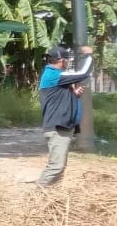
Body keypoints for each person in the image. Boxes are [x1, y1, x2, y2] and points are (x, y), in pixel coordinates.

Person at [36, 45, 93, 187]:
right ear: (62, 61)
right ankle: (36, 197)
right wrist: (88, 55)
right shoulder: (55, 75)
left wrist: (73, 94)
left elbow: (58, 97)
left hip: (60, 127)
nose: (68, 63)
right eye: (67, 60)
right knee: (56, 167)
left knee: (59, 168)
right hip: (57, 128)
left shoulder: (54, 77)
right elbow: (84, 73)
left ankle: (51, 199)